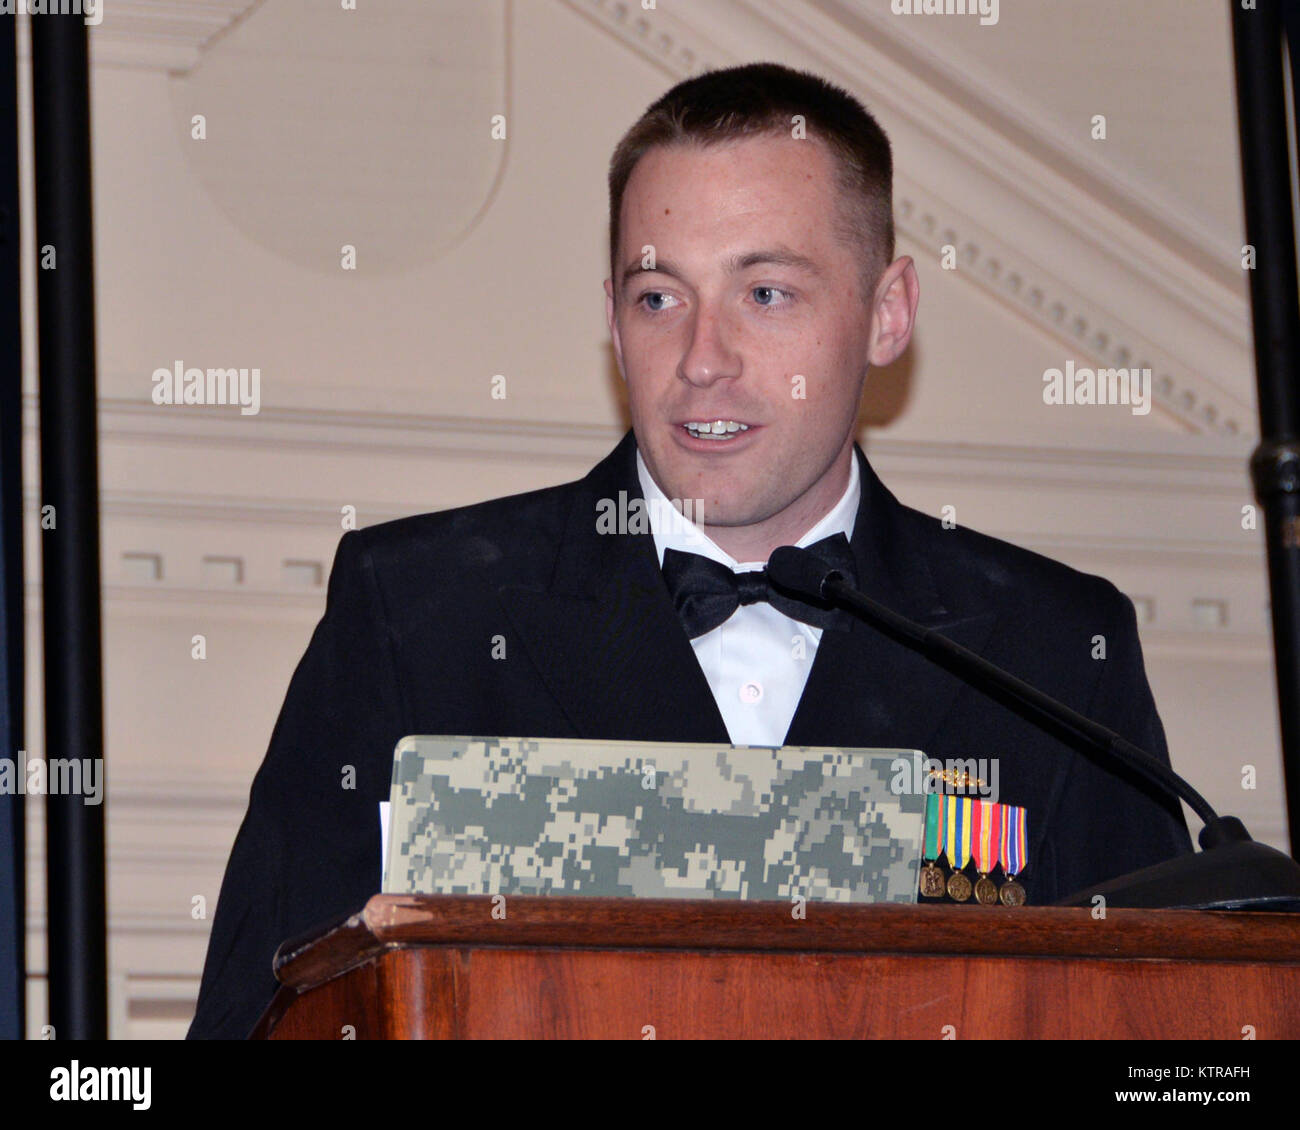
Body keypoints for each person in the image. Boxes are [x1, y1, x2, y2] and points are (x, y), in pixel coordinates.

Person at [187, 62, 1191, 1039]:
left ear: (887, 315)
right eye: (658, 297)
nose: (702, 360)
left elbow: (1161, 1046)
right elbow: (259, 1021)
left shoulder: (1052, 648)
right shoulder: (420, 613)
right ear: (612, 323)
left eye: (766, 293)